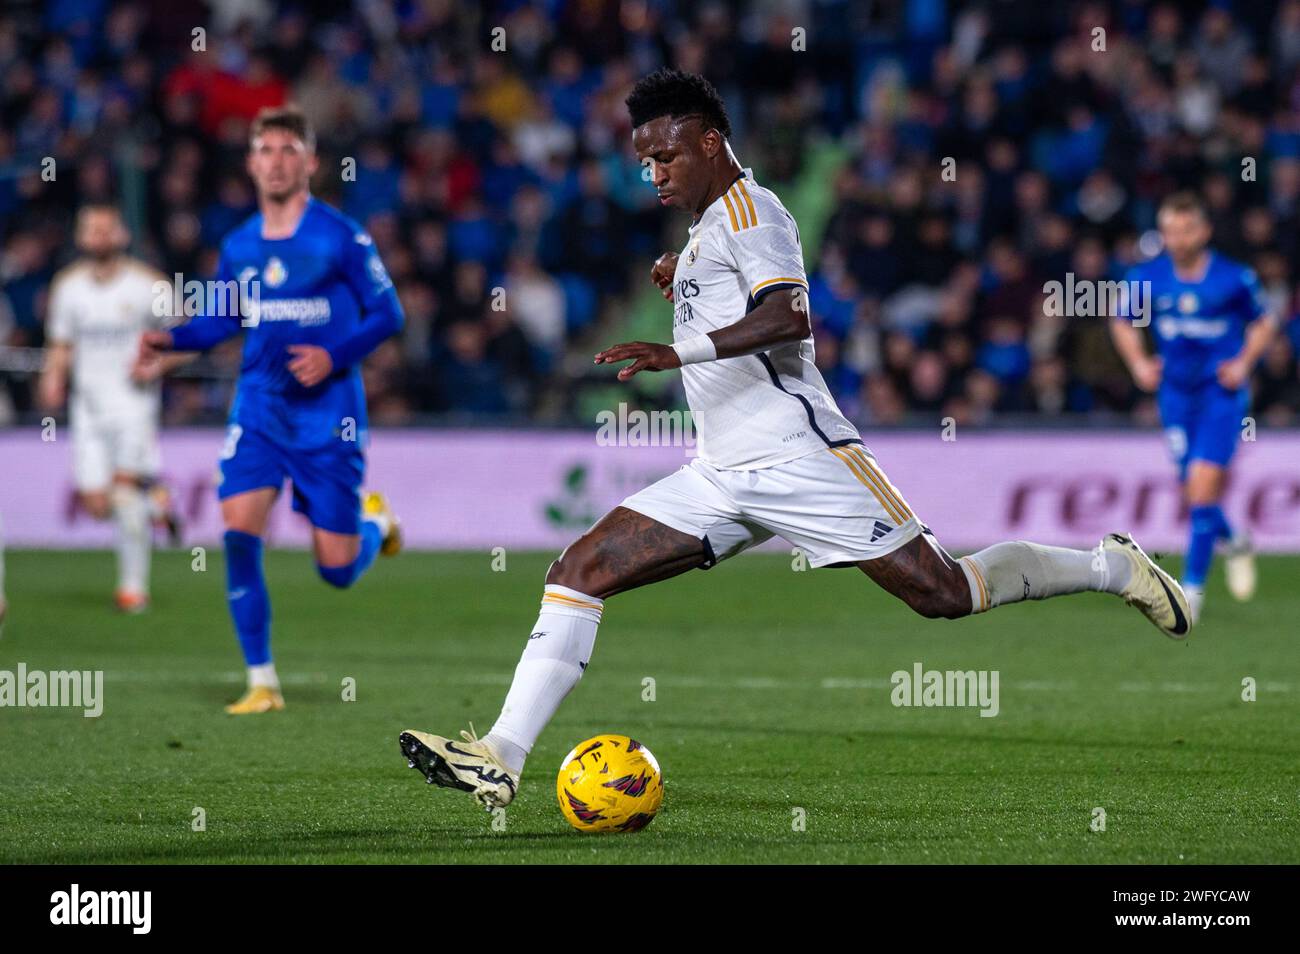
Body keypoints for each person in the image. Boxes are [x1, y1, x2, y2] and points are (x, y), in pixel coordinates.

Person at [399, 69, 1190, 810]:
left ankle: (1108, 564)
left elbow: (789, 318)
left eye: (667, 155)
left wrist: (679, 349)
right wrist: (690, 278)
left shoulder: (757, 211)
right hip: (719, 472)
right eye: (645, 162)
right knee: (579, 570)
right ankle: (500, 754)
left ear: (712, 141)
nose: (655, 174)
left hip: (804, 457)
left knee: (945, 593)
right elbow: (739, 295)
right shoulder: (712, 229)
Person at [137, 105, 404, 714]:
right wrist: (168, 341)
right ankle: (262, 682)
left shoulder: (339, 235)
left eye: (288, 150)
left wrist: (333, 356)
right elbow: (222, 319)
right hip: (258, 411)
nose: (276, 161)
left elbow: (389, 314)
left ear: (309, 162)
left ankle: (376, 526)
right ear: (251, 163)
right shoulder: (238, 244)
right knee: (236, 536)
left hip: (328, 416)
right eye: (265, 150)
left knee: (335, 569)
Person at [1111, 192, 1275, 622]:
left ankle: (1191, 592)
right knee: (1192, 488)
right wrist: (1138, 364)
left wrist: (1242, 364)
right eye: (1168, 230)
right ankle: (1235, 540)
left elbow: (1263, 322)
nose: (1176, 239)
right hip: (1176, 396)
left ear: (1203, 231)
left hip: (1219, 396)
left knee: (1201, 488)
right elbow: (1122, 320)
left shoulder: (1233, 278)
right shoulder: (1147, 277)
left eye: (1185, 230)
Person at [39, 205, 185, 613]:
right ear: (81, 237)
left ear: (122, 235)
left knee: (123, 494)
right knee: (98, 505)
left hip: (133, 405)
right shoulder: (67, 287)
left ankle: (133, 589)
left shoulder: (148, 285)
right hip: (87, 408)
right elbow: (62, 343)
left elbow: (186, 338)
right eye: (91, 229)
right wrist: (52, 377)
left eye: (107, 229)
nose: (99, 236)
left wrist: (158, 364)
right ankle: (158, 500)